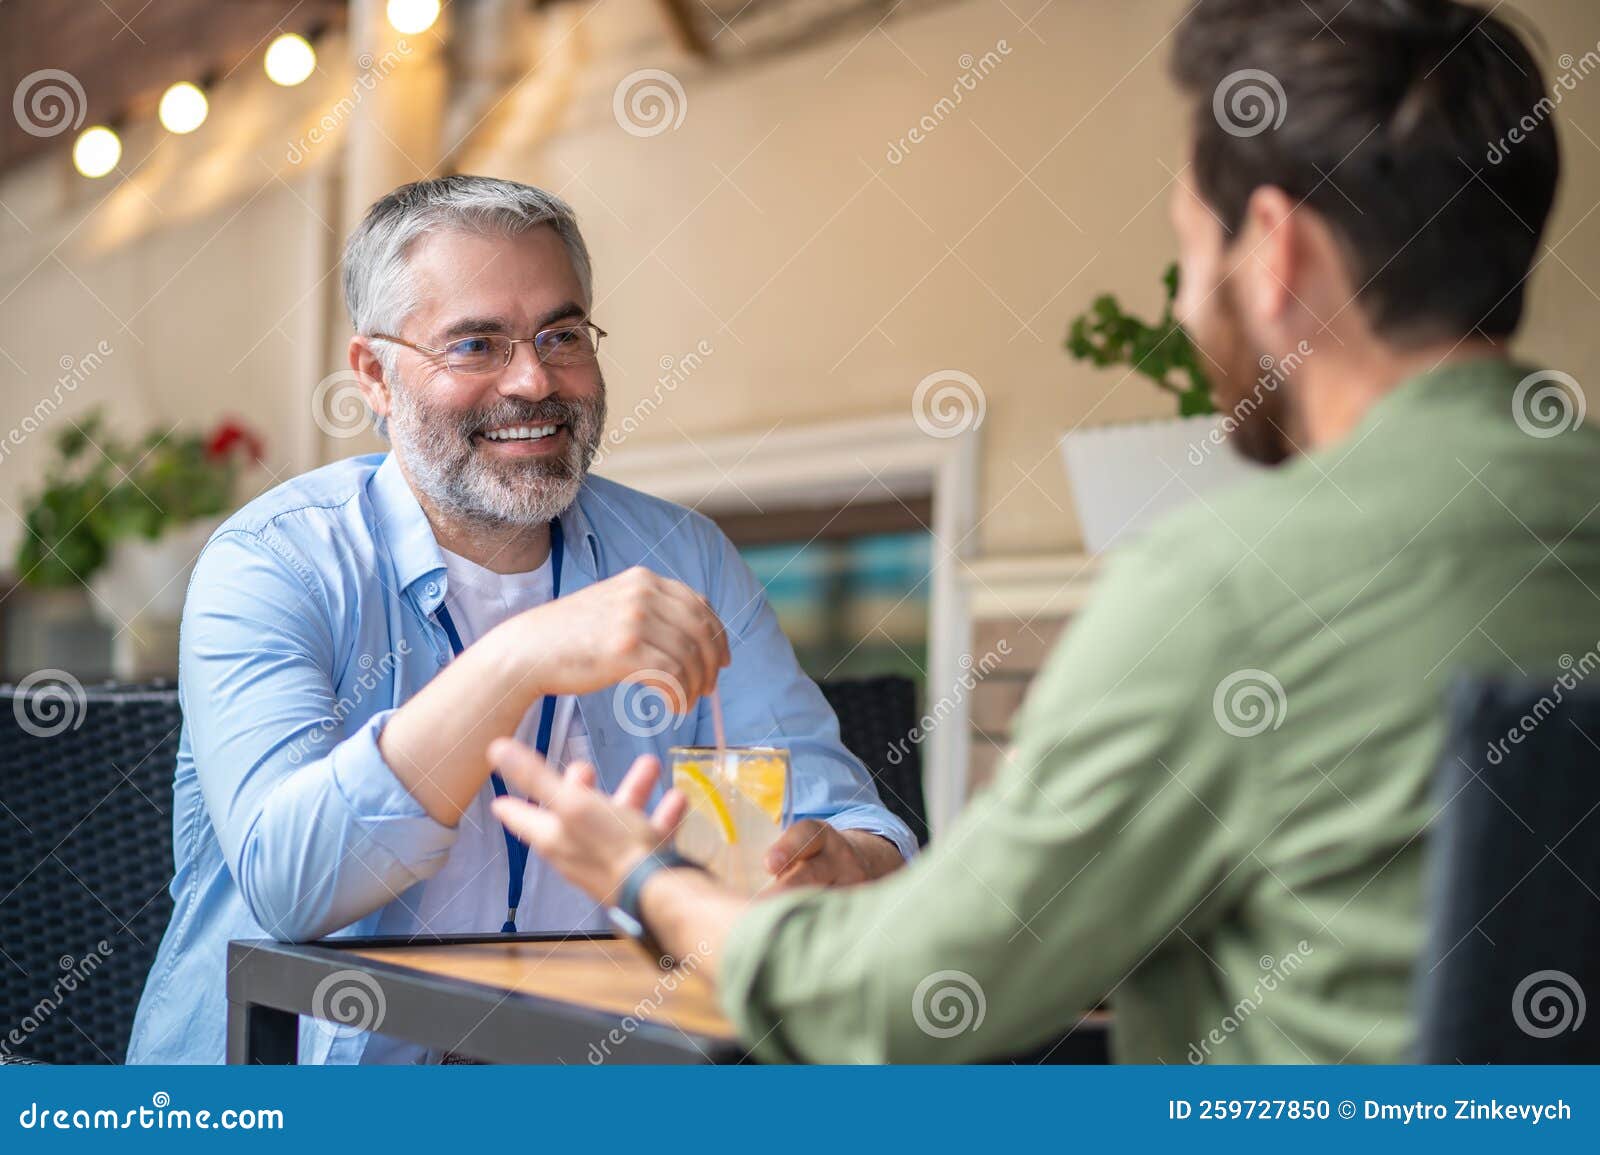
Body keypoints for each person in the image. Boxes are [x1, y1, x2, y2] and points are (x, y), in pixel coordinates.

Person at [489, 0, 1600, 1063]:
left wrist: (648, 881)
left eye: (1190, 252)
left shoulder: (1230, 586)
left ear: (1275, 253)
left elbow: (907, 1003)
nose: (1185, 307)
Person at [127, 176, 914, 1065]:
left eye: (561, 335)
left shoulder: (684, 556)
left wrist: (852, 862)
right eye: (476, 344)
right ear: (375, 376)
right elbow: (292, 883)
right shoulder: (274, 562)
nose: (534, 380)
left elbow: (839, 813)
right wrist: (519, 656)